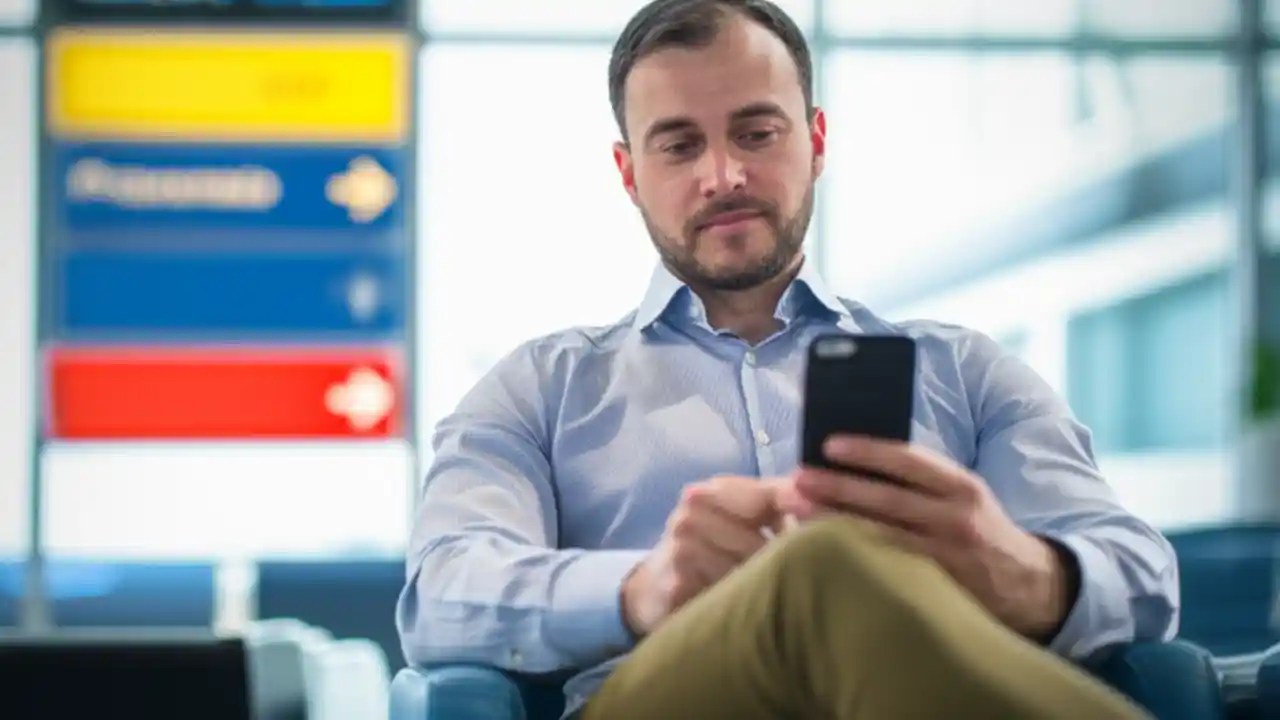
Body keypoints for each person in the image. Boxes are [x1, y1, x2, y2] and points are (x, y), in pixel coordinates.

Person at [395, 1, 1179, 718]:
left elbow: (1141, 573)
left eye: (756, 133)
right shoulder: (539, 390)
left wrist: (1023, 571)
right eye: (679, 145)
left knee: (836, 567)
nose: (723, 175)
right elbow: (441, 595)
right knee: (826, 562)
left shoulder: (966, 374)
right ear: (630, 174)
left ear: (817, 141)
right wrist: (641, 588)